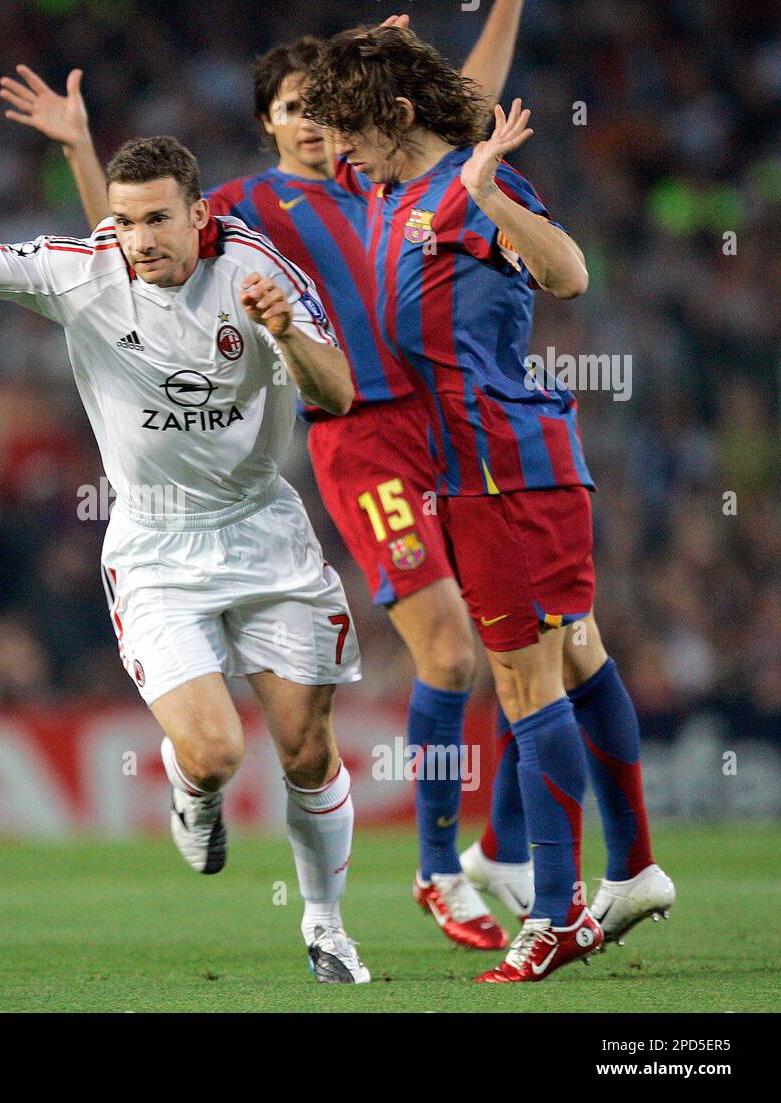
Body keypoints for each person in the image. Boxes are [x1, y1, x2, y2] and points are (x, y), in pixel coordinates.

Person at [0, 3, 532, 951]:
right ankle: (439, 867)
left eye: (330, 104)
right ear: (269, 123)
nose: (317, 120)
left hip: (449, 418)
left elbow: (467, 104)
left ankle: (507, 851)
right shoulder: (249, 205)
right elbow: (130, 251)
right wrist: (84, 149)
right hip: (356, 433)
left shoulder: (386, 181)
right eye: (295, 105)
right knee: (449, 657)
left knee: (531, 645)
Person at [0, 136, 375, 982]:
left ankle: (326, 926)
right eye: (125, 220)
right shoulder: (81, 270)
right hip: (157, 548)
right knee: (217, 752)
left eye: (159, 217)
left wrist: (282, 334)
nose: (142, 237)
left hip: (264, 528)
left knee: (307, 750)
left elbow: (336, 392)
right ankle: (192, 791)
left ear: (200, 213)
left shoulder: (257, 273)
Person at [301, 24, 674, 981]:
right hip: (484, 472)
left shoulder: (465, 187)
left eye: (350, 127)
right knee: (576, 652)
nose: (337, 149)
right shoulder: (390, 192)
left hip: (506, 469)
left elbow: (570, 274)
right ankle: (628, 873)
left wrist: (489, 193)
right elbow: (420, 100)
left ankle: (552, 912)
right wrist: (366, 47)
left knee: (523, 688)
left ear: (396, 120)